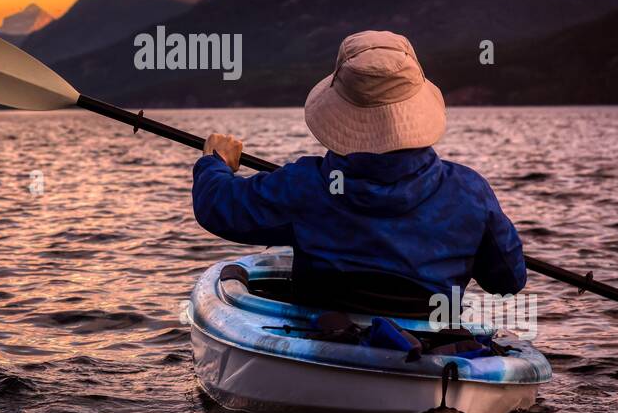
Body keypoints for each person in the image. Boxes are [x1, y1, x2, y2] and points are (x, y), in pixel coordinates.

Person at [192, 30, 525, 316]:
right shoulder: (470, 192)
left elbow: (220, 207)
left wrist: (215, 163)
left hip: (327, 341)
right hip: (433, 349)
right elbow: (508, 281)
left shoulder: (307, 185)